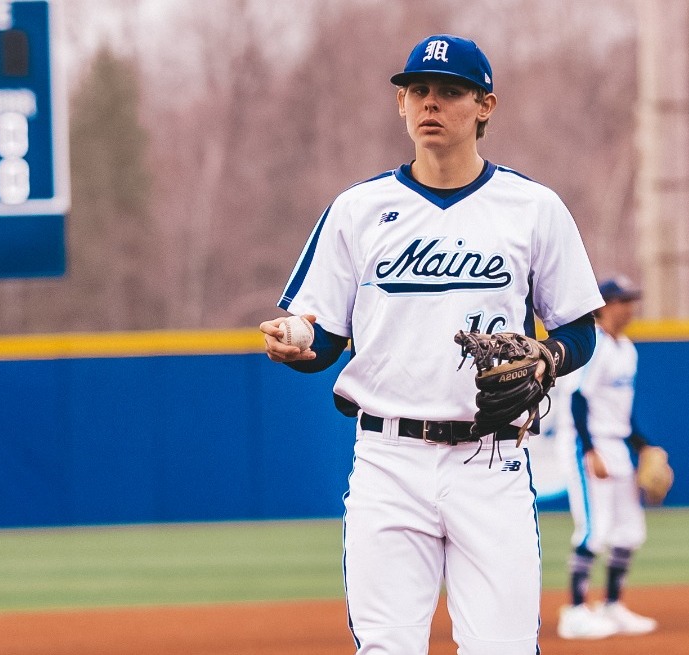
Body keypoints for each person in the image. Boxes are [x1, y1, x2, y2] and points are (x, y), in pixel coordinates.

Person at [260, 34, 603, 655]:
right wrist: (296, 341)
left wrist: (548, 357)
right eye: (417, 90)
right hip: (387, 462)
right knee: (387, 649)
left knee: (502, 649)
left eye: (450, 92)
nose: (431, 104)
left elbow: (579, 329)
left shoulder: (532, 207)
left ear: (485, 105)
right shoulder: (359, 209)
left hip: (490, 462)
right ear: (400, 104)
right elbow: (324, 335)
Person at [553, 276, 660, 640]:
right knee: (594, 529)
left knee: (629, 532)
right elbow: (577, 398)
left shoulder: (627, 348)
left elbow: (622, 412)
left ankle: (612, 604)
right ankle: (575, 611)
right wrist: (590, 450)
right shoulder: (592, 344)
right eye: (621, 300)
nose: (629, 306)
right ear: (603, 305)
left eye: (632, 299)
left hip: (616, 443)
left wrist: (644, 446)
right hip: (589, 443)